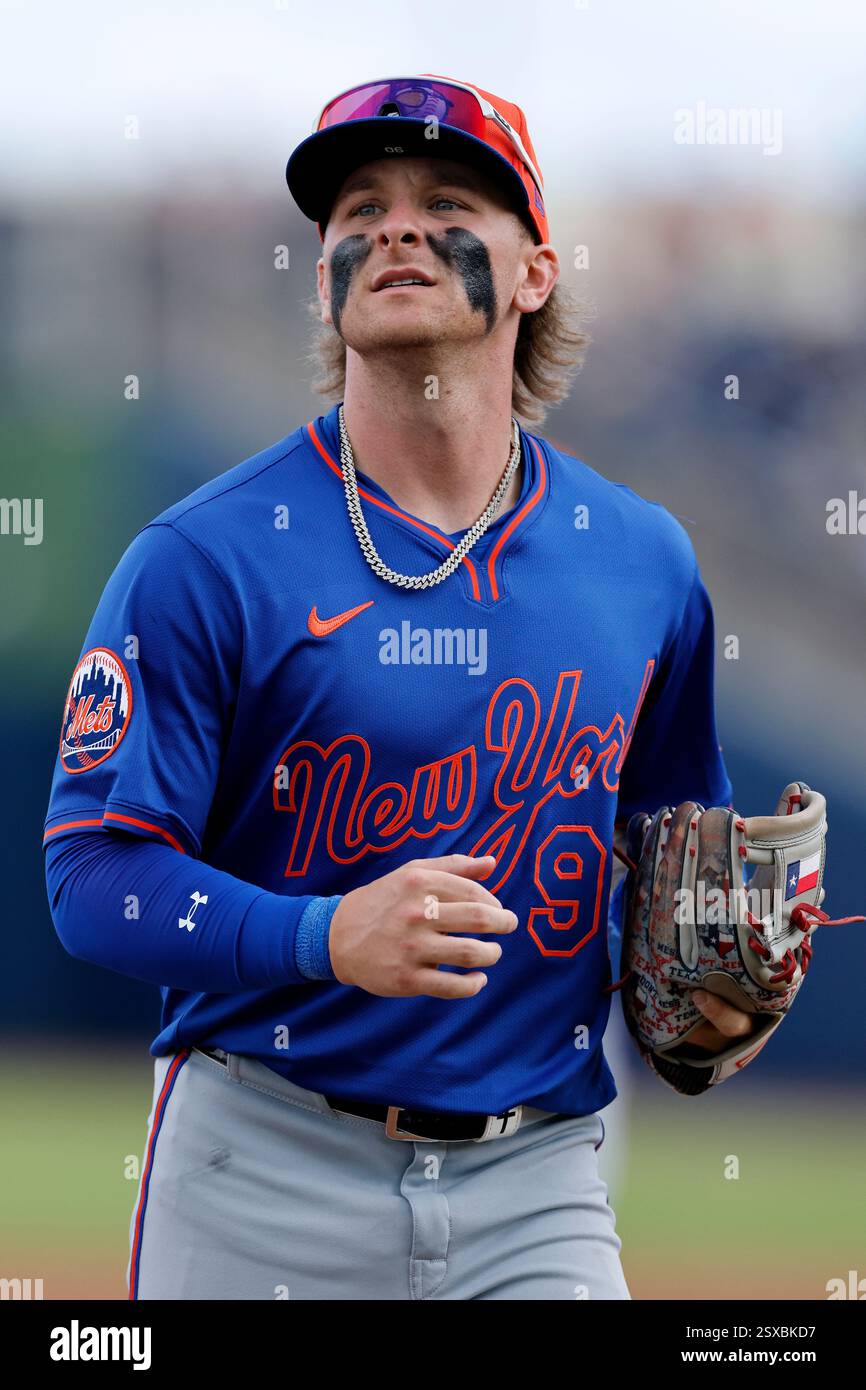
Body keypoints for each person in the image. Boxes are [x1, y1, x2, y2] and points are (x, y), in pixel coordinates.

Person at [43, 74, 754, 1301]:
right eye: (357, 206)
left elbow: (672, 851)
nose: (395, 226)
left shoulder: (641, 560)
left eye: (447, 197)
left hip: (539, 1184)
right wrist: (325, 934)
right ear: (324, 271)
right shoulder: (206, 555)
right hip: (260, 1166)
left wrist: (719, 984)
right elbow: (90, 878)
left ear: (533, 270)